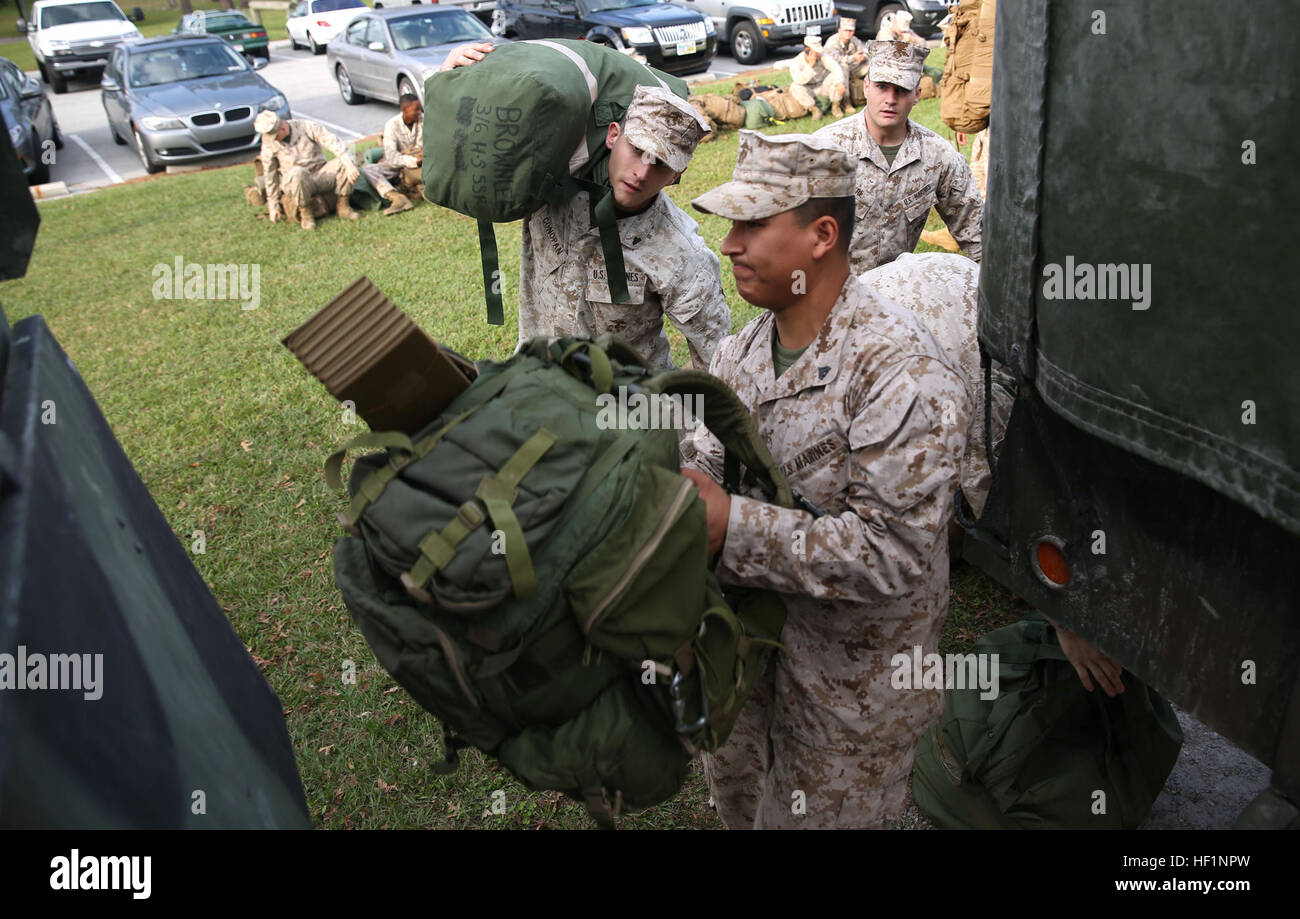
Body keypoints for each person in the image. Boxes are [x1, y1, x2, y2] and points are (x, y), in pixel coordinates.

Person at [682, 131, 971, 829]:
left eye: (752, 224)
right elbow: (703, 464)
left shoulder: (898, 372)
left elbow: (893, 552)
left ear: (822, 235)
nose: (729, 244)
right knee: (744, 803)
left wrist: (731, 526)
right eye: (730, 224)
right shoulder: (739, 353)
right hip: (752, 664)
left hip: (854, 686)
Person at [442, 44, 730, 370]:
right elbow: (469, 155)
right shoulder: (553, 193)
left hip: (622, 409)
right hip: (541, 387)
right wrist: (455, 76)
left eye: (661, 163)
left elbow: (717, 365)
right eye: (636, 149)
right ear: (612, 135)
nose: (642, 171)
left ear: (677, 174)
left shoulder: (680, 253)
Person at [814, 41, 982, 274]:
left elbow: (977, 236)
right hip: (830, 289)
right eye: (882, 87)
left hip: (895, 294)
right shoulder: (825, 149)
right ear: (866, 87)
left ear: (917, 95)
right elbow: (785, 233)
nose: (891, 99)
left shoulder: (939, 156)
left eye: (901, 90)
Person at [254, 111, 361, 231]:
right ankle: (306, 213)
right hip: (295, 182)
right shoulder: (269, 144)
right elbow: (270, 176)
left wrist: (348, 164)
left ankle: (343, 206)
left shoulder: (306, 127)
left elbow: (333, 142)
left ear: (282, 128)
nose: (273, 140)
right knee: (297, 172)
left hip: (319, 174)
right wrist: (273, 206)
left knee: (345, 161)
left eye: (275, 136)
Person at [363, 93, 423, 217]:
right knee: (369, 169)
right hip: (400, 164)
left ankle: (409, 187)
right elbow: (391, 157)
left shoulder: (424, 120)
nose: (419, 112)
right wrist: (413, 160)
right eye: (415, 109)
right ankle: (396, 197)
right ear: (404, 109)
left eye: (419, 108)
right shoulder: (392, 125)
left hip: (419, 164)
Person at [788, 34, 848, 121]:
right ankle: (814, 110)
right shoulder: (796, 62)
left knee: (835, 77)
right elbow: (799, 80)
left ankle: (836, 106)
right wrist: (810, 66)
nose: (817, 54)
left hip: (822, 87)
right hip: (808, 89)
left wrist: (839, 82)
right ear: (807, 50)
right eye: (815, 51)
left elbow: (835, 68)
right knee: (795, 86)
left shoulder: (823, 57)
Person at [821, 17, 868, 114]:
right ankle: (846, 102)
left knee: (871, 65)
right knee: (843, 67)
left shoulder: (854, 40)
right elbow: (835, 62)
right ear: (839, 30)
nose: (848, 33)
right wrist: (853, 58)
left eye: (850, 30)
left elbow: (861, 52)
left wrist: (862, 57)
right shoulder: (832, 42)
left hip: (851, 67)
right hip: (833, 72)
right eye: (845, 30)